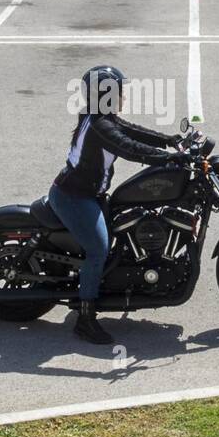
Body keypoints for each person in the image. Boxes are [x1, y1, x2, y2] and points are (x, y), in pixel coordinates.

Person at [51, 65, 184, 344]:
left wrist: (169, 141)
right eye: (120, 91)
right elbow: (129, 148)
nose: (124, 96)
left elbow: (131, 131)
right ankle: (85, 320)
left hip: (89, 194)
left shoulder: (101, 117)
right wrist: (168, 159)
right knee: (98, 249)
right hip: (74, 197)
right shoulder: (101, 126)